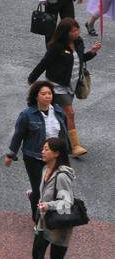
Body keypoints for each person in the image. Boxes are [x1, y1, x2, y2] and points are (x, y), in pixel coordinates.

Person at [23, 137, 98, 259]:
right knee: (37, 253)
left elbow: (67, 202)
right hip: (44, 221)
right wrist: (35, 195)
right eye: (43, 148)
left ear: (56, 153)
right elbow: (46, 193)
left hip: (59, 224)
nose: (42, 152)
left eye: (46, 149)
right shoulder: (45, 170)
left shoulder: (62, 176)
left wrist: (47, 205)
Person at [29, 17, 100, 157]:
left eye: (77, 29)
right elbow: (44, 63)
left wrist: (92, 52)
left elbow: (80, 59)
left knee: (57, 114)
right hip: (57, 86)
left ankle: (53, 140)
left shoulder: (79, 42)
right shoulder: (57, 46)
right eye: (73, 31)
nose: (76, 32)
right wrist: (32, 79)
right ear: (65, 32)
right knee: (69, 113)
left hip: (71, 85)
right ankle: (75, 146)